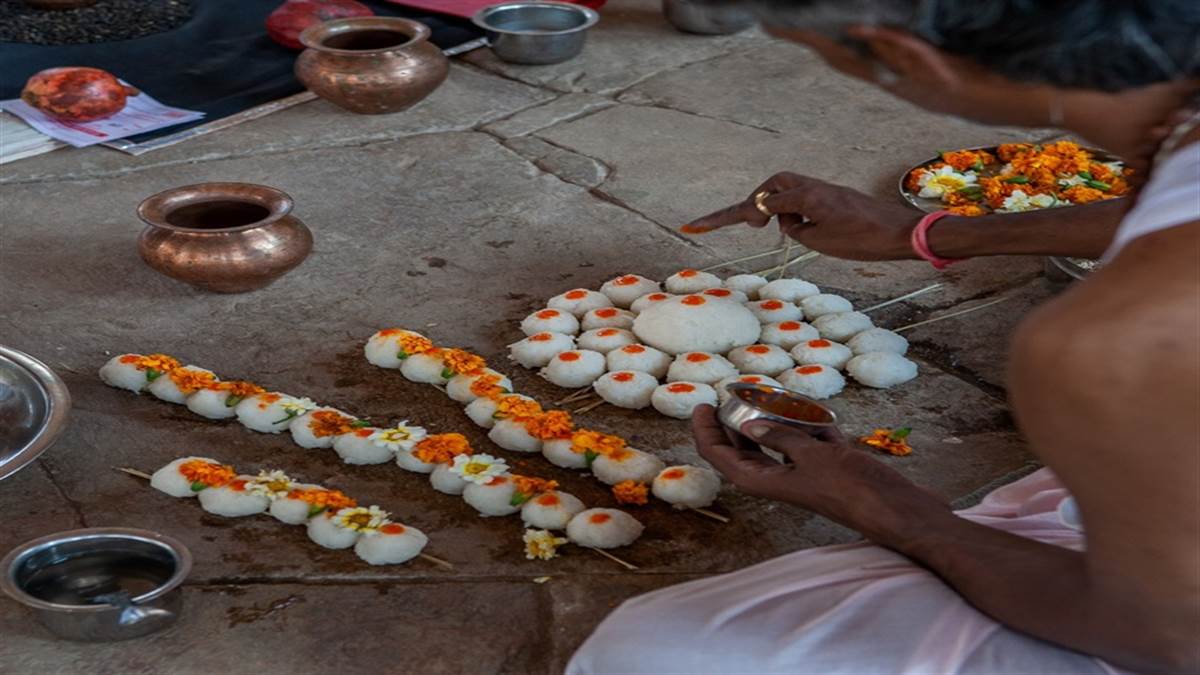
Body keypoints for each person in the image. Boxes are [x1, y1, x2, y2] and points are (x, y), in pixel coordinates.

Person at [569, 2, 1199, 674]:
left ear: (904, 60)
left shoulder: (1119, 344)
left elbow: (1167, 637)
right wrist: (921, 232)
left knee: (658, 650)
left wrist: (890, 508)